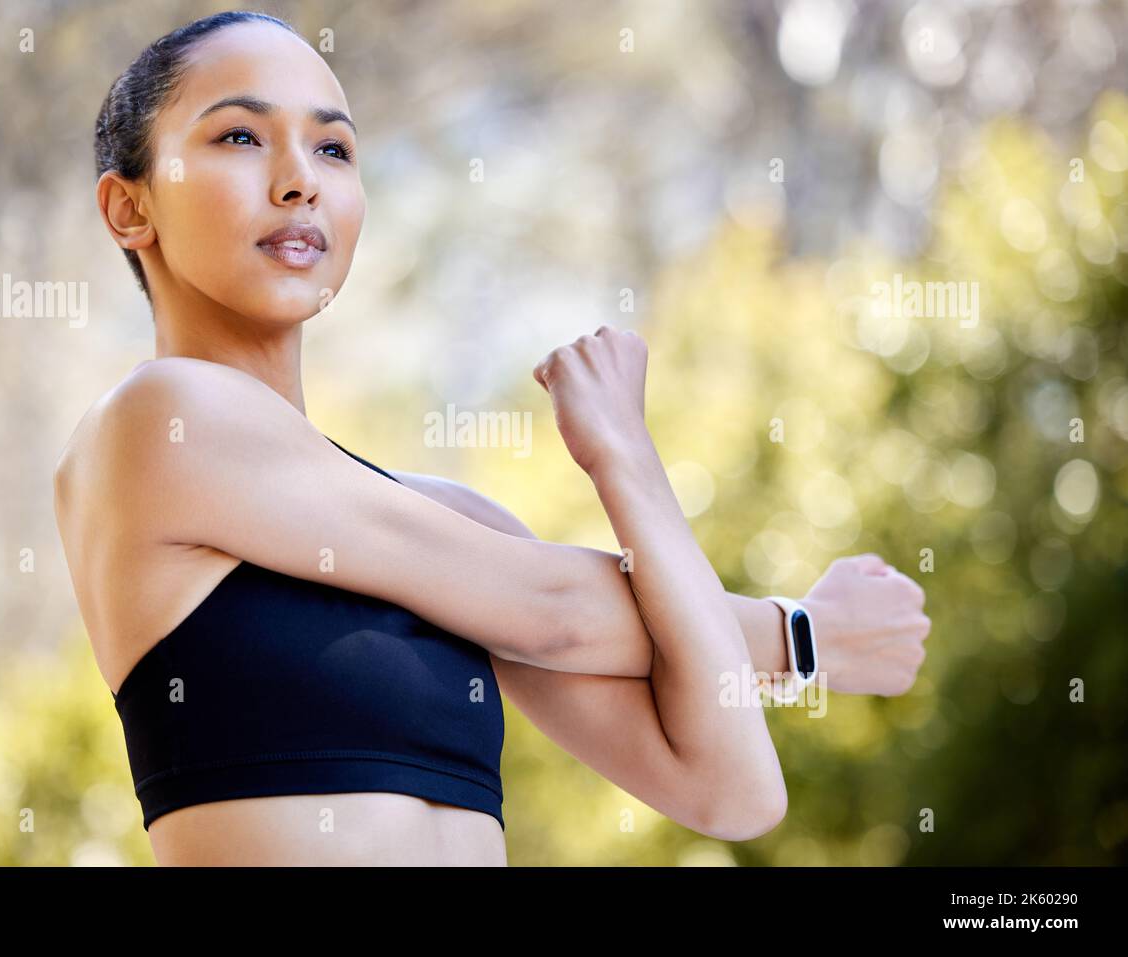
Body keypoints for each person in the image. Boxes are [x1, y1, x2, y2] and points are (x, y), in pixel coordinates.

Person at [53, 10, 931, 866]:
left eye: (333, 148)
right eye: (240, 137)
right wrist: (804, 632)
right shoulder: (157, 423)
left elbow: (731, 791)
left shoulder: (452, 518)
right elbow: (554, 613)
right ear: (130, 207)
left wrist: (626, 455)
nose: (299, 180)